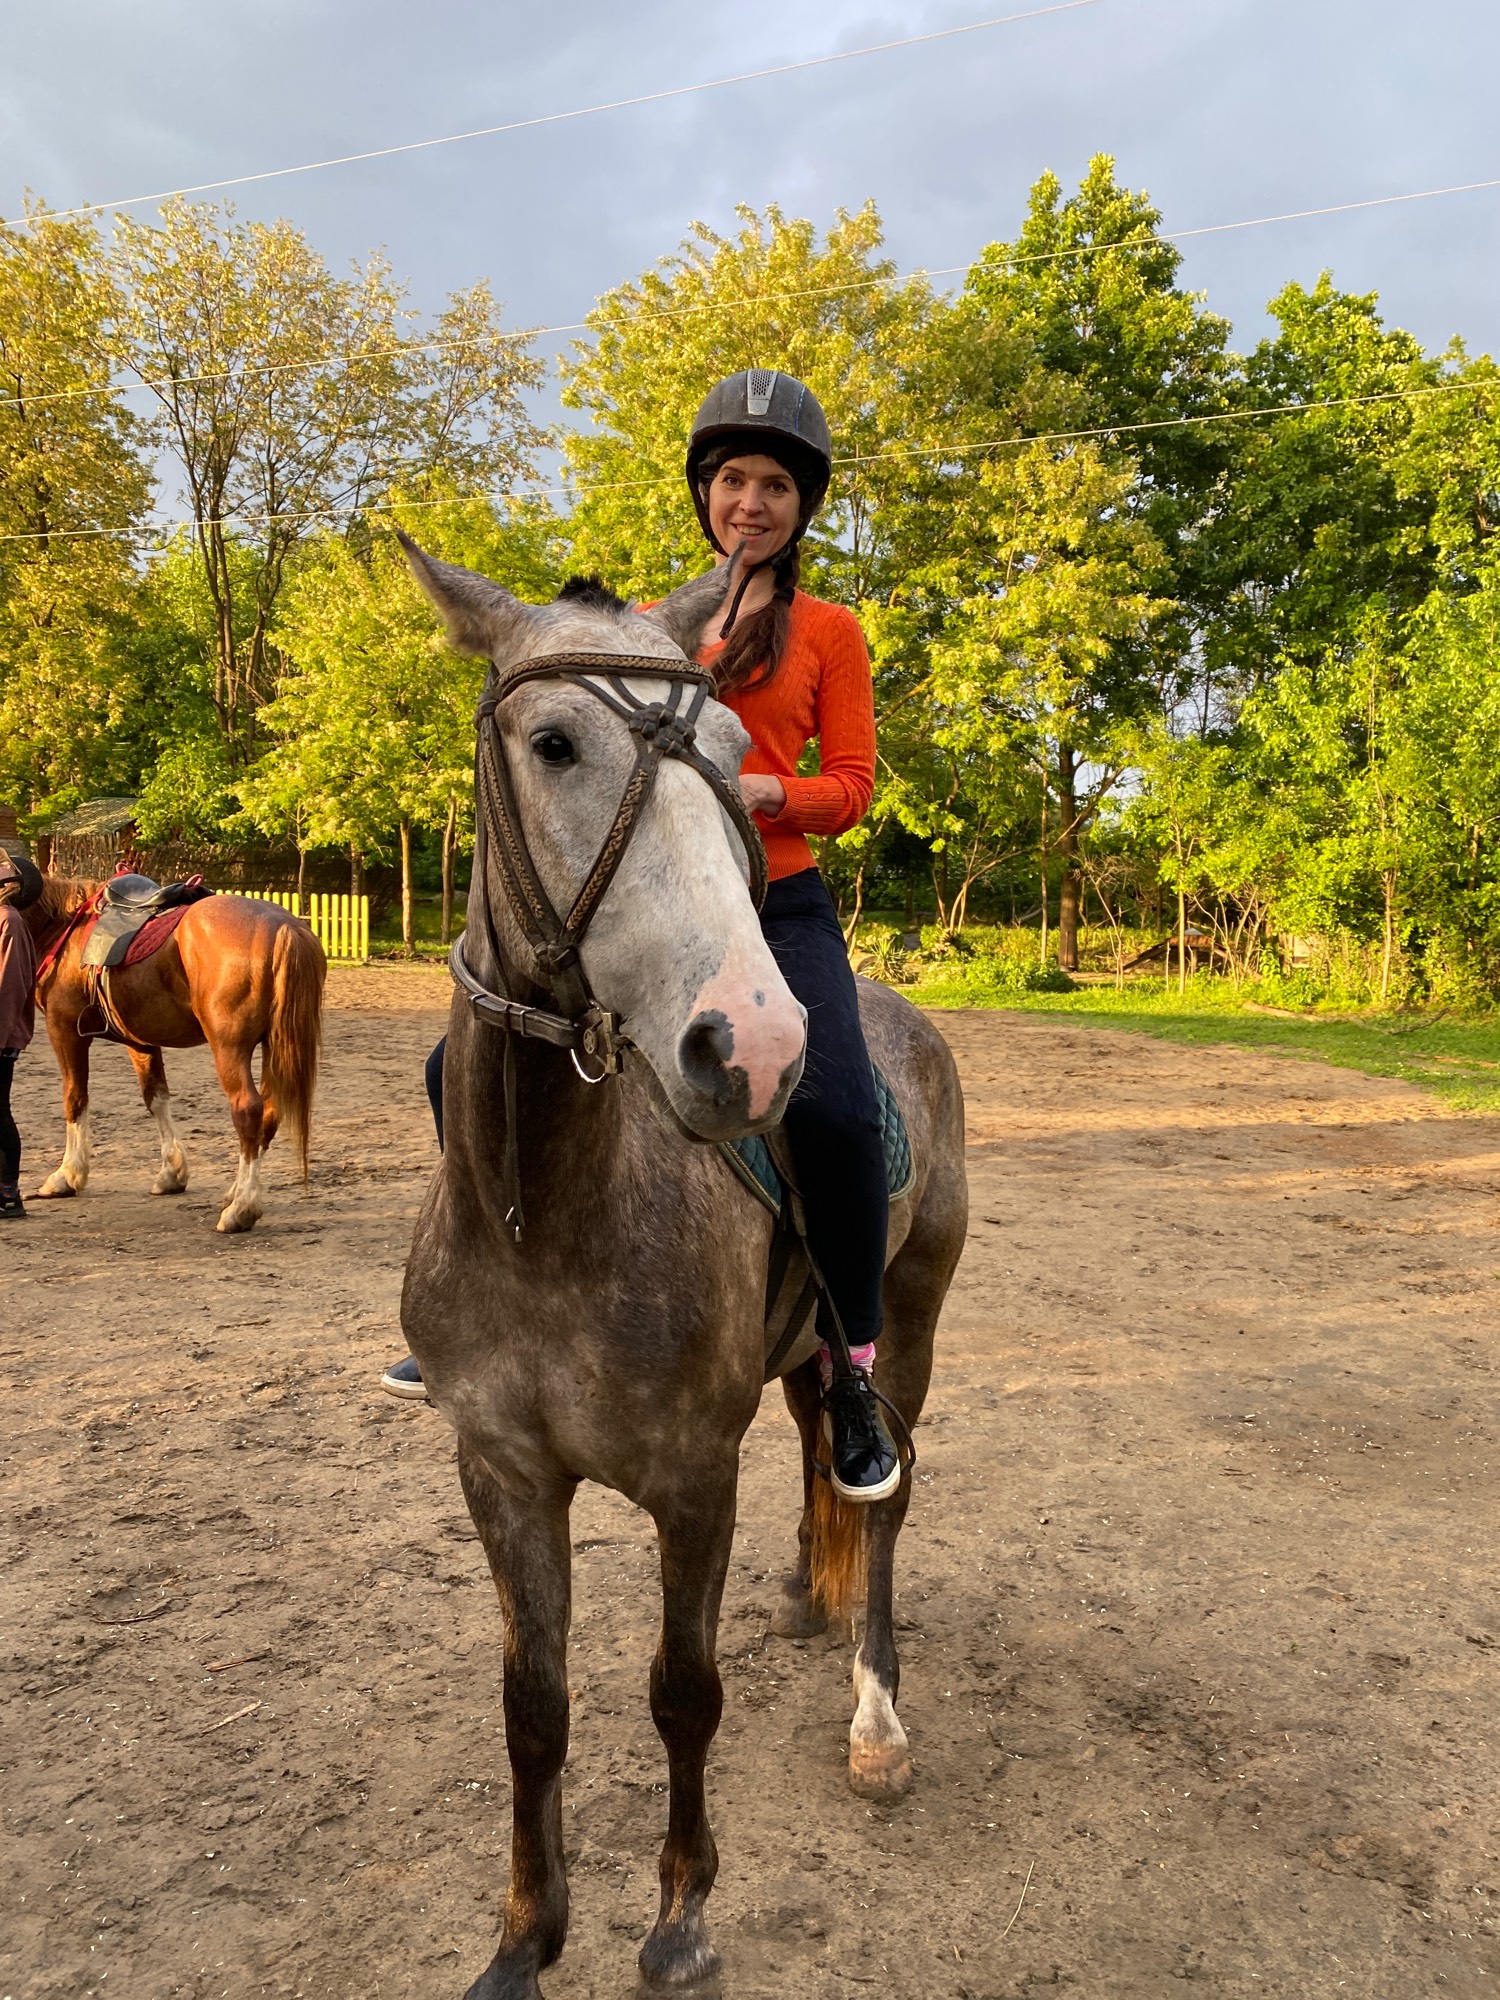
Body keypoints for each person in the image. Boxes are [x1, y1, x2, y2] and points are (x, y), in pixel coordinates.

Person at [381, 371, 899, 1503]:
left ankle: (851, 1365)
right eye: (731, 481)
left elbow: (851, 786)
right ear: (706, 496)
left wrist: (748, 790)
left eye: (774, 485)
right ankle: (477, 1318)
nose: (750, 502)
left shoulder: (830, 631)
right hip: (648, 900)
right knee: (452, 1065)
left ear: (802, 506)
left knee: (839, 1109)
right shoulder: (651, 626)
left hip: (776, 900)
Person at [0, 852, 42, 1222]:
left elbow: (10, 987)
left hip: (2, 1035)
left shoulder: (9, 922)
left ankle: (9, 1195)